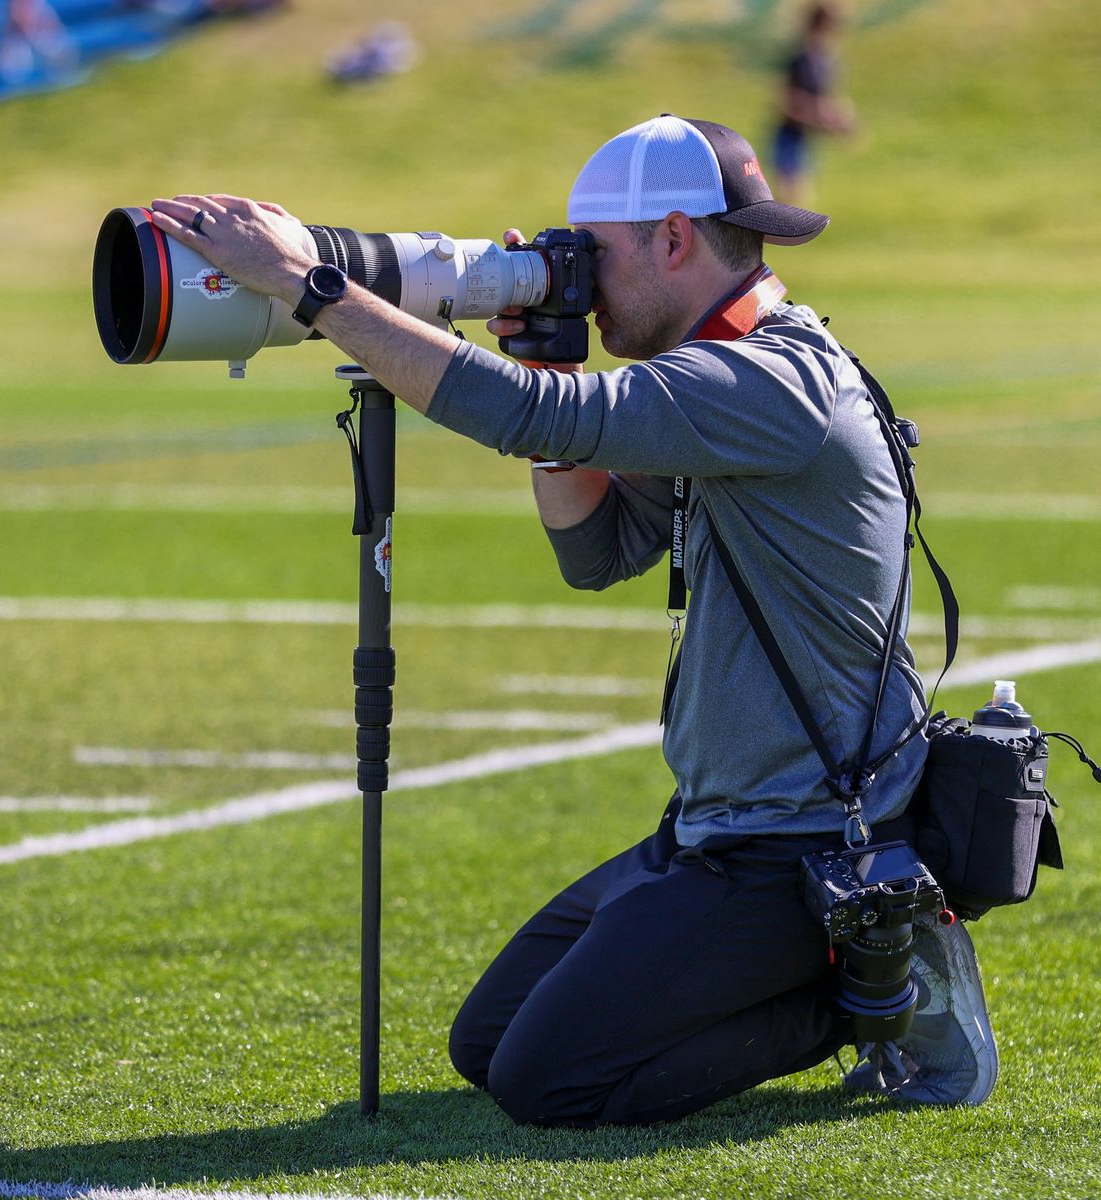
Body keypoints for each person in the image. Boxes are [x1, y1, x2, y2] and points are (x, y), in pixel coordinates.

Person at [148, 113, 996, 1127]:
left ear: (674, 239)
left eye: (592, 256)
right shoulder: (711, 381)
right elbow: (596, 555)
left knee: (548, 1082)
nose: (577, 283)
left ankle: (879, 989)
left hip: (811, 844)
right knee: (487, 1044)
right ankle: (839, 971)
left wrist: (315, 288)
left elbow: (534, 419)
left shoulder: (775, 381)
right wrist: (550, 368)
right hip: (712, 828)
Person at [771, 3, 857, 208]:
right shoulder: (803, 59)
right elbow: (788, 102)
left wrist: (838, 115)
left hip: (805, 136)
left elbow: (823, 99)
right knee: (790, 200)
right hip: (790, 135)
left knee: (800, 200)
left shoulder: (825, 59)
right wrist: (822, 118)